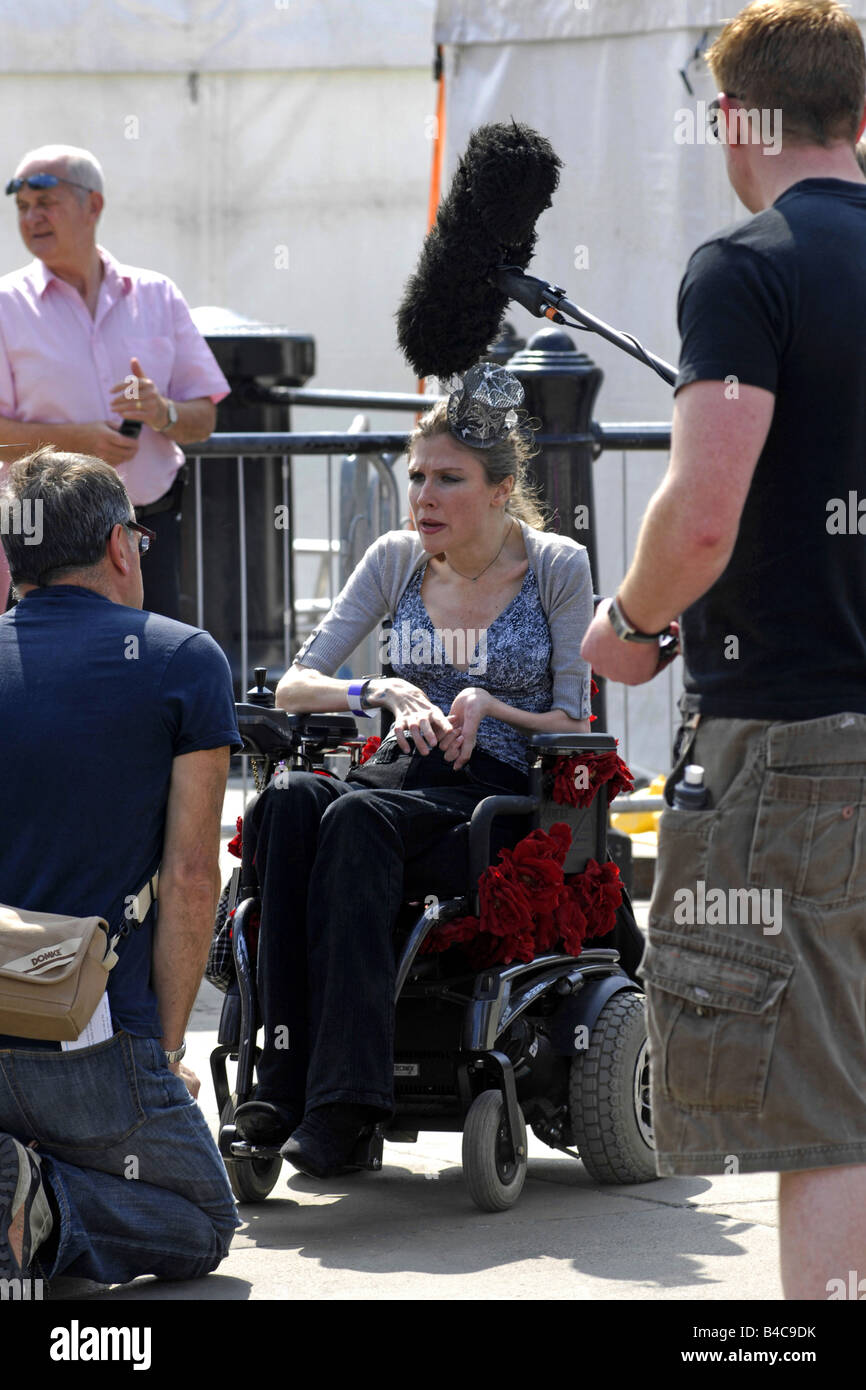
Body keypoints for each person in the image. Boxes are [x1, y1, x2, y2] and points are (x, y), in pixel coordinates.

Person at [581, 0, 866, 1300]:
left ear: (734, 122)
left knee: (822, 1102)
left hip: (799, 741)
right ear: (857, 118)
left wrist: (631, 625)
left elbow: (700, 515)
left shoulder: (744, 265)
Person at [235, 363, 595, 1177]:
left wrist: (486, 703)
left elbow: (575, 721)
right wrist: (379, 687)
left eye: (449, 479)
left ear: (502, 489)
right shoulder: (397, 558)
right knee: (291, 801)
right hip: (397, 778)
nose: (423, 497)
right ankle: (281, 1083)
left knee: (356, 820)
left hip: (492, 801)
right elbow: (296, 682)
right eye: (417, 476)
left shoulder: (554, 568)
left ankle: (347, 1103)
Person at [0, 446, 241, 1289]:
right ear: (119, 546)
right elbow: (189, 880)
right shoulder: (183, 660)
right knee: (205, 1222)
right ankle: (48, 1208)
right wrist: (167, 1054)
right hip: (90, 1044)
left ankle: (20, 1188)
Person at [0, 143, 229, 619]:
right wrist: (76, 443)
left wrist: (161, 411)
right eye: (22, 207)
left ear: (94, 205)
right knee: (47, 679)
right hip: (42, 534)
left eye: (45, 202)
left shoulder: (157, 294)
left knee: (151, 671)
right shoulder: (6, 303)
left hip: (144, 532)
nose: (31, 217)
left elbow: (203, 418)